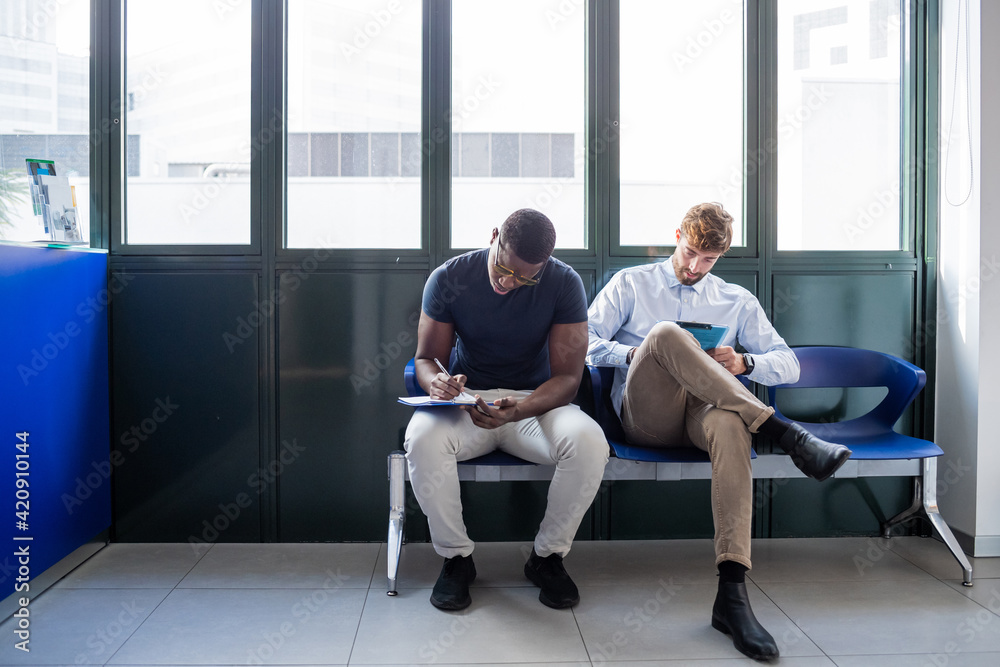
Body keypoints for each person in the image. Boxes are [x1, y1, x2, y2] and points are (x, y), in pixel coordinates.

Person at [586, 202, 851, 661]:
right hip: (646, 416)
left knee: (730, 424)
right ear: (677, 236)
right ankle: (784, 432)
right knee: (667, 334)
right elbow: (584, 345)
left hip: (703, 414)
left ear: (720, 257)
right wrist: (638, 354)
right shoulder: (631, 284)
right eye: (690, 252)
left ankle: (732, 596)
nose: (694, 267)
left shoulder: (735, 299)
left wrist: (744, 361)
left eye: (707, 260)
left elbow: (787, 364)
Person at [404, 208, 609, 612]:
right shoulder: (449, 277)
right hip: (469, 402)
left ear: (544, 265)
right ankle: (456, 559)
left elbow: (568, 378)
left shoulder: (563, 282)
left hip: (535, 403)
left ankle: (547, 557)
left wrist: (520, 409)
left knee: (589, 441)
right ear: (494, 236)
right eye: (504, 268)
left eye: (525, 277)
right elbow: (426, 359)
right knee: (421, 438)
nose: (508, 282)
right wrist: (439, 383)